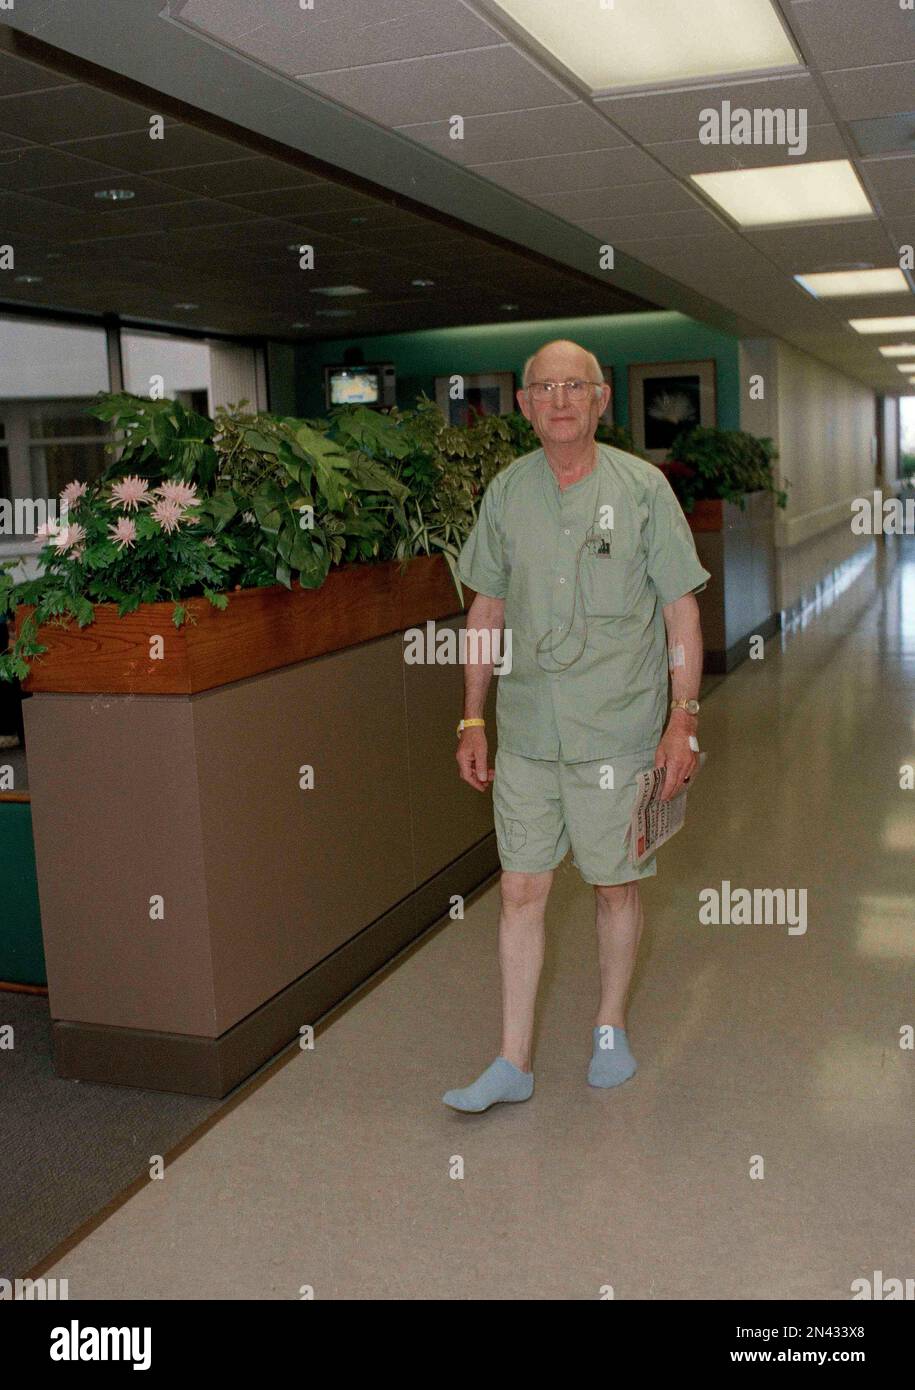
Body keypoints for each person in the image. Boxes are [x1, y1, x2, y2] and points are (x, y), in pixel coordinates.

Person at [444, 339, 710, 1112]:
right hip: (527, 731)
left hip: (619, 729)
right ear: (523, 405)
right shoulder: (506, 493)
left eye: (575, 386)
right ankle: (511, 1060)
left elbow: (678, 608)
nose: (559, 400)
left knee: (612, 885)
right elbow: (486, 608)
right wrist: (471, 716)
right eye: (542, 388)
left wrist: (681, 721)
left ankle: (608, 1025)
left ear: (599, 401)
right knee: (521, 886)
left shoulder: (641, 490)